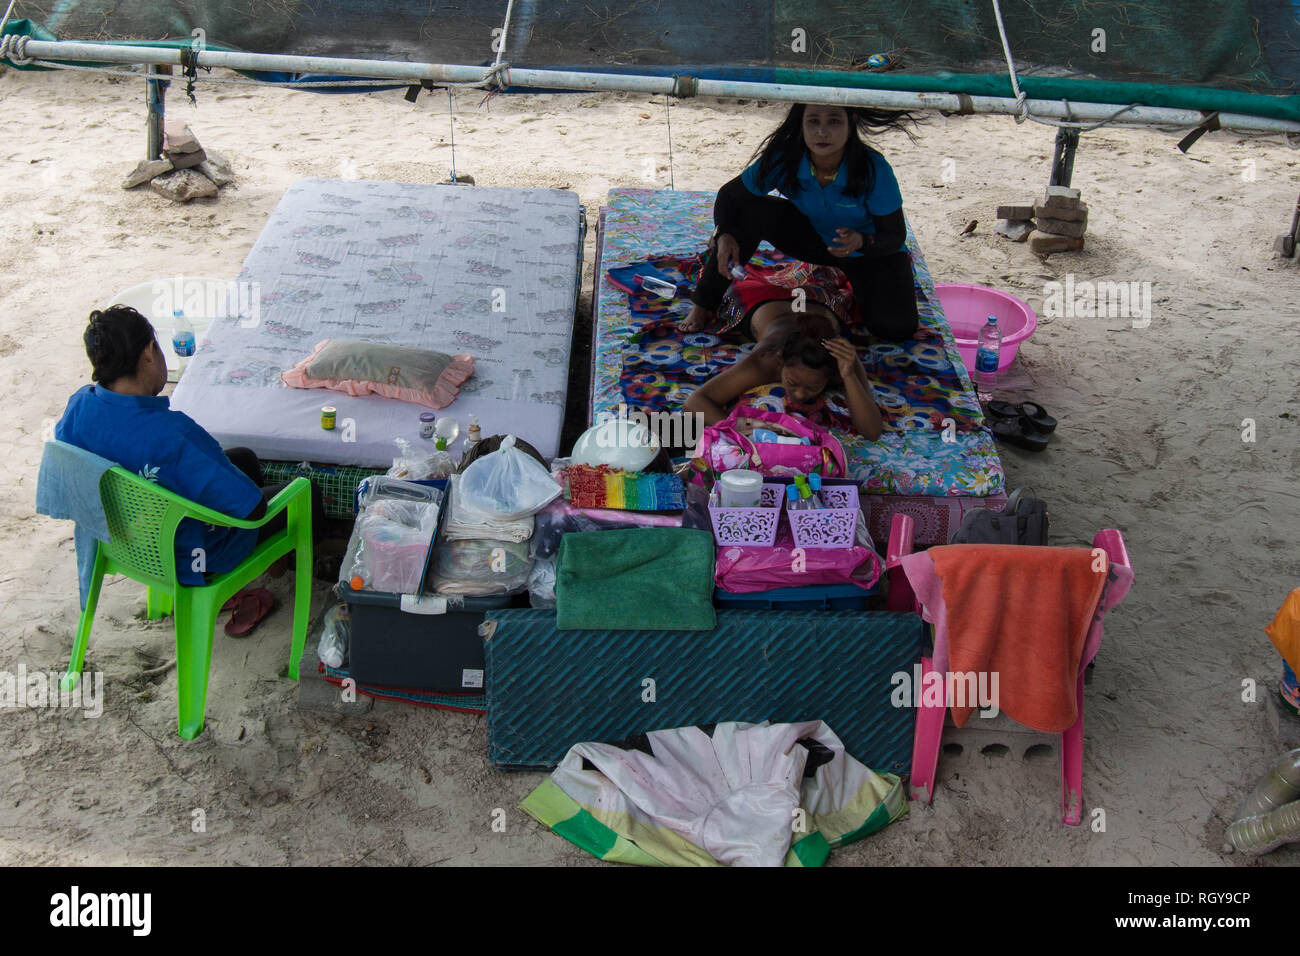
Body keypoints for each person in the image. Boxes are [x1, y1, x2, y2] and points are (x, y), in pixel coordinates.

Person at [54, 305, 325, 597]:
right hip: (191, 553)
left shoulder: (80, 404)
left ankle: (275, 564)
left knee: (244, 458)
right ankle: (306, 568)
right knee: (307, 491)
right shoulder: (173, 434)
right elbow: (252, 510)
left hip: (123, 539)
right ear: (148, 352)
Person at [681, 102, 920, 341]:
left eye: (834, 121)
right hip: (816, 238)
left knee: (896, 328)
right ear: (801, 123)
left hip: (870, 251)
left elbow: (895, 235)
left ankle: (857, 287)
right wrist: (722, 235)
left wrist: (860, 242)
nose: (822, 132)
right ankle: (704, 302)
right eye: (813, 121)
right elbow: (730, 195)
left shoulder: (873, 169)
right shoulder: (785, 158)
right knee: (746, 213)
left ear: (852, 121)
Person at [683, 308, 883, 441]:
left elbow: (872, 431)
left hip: (818, 300)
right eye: (792, 382)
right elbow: (694, 403)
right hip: (765, 302)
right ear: (781, 361)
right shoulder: (766, 361)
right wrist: (749, 431)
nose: (800, 395)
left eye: (813, 387)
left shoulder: (842, 361)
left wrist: (849, 376)